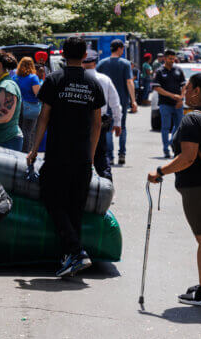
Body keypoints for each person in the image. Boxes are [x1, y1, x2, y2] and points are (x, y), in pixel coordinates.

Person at [147, 71, 201, 308]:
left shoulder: (192, 119)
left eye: (187, 87)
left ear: (197, 91)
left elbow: (187, 158)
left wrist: (160, 171)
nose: (184, 92)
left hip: (199, 189)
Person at [29, 36, 105, 278]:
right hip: (82, 156)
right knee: (75, 209)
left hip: (57, 154)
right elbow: (97, 124)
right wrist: (91, 155)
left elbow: (44, 117)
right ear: (85, 56)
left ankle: (75, 251)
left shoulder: (54, 80)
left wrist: (33, 149)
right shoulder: (93, 83)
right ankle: (70, 259)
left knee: (52, 200)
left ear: (63, 55)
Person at [97, 39, 138, 167]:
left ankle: (110, 156)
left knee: (108, 128)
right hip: (122, 100)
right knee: (122, 126)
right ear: (120, 48)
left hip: (105, 101)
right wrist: (133, 100)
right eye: (123, 48)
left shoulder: (102, 63)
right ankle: (122, 154)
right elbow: (129, 82)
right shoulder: (125, 64)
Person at [83, 49, 121, 179]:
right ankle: (106, 183)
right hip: (100, 122)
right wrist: (117, 122)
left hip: (79, 122)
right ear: (95, 62)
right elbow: (115, 103)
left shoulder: (76, 79)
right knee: (100, 154)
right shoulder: (104, 79)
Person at [151, 50, 187, 159]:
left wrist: (180, 98)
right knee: (165, 127)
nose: (172, 61)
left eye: (173, 59)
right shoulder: (159, 71)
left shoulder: (178, 70)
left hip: (178, 103)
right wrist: (172, 96)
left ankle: (172, 142)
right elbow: (156, 88)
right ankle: (166, 150)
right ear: (165, 58)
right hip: (165, 104)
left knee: (179, 126)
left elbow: (184, 86)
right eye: (170, 58)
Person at [15, 56, 43, 153]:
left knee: (19, 130)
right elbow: (37, 93)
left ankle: (18, 151)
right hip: (30, 107)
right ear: (31, 66)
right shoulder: (33, 78)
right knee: (28, 131)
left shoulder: (15, 77)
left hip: (17, 107)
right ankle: (26, 153)